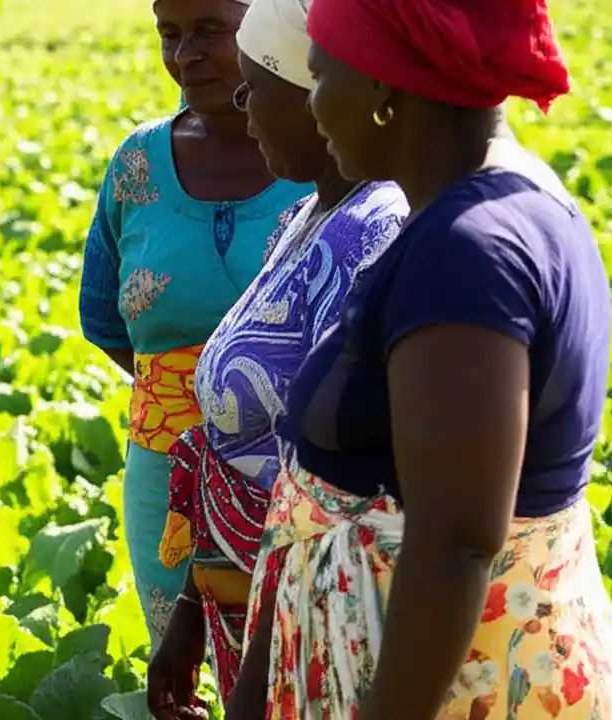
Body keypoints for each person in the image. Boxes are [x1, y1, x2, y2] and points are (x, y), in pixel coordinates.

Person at [226, 1, 612, 718]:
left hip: (466, 688)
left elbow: (455, 545)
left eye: (322, 76)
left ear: (385, 87)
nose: (316, 105)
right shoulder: (498, 201)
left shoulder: (467, 251)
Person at [144, 0, 408, 713]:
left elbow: (331, 482)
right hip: (249, 601)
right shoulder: (304, 220)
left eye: (257, 86)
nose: (243, 108)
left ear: (314, 92)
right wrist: (194, 609)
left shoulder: (374, 228)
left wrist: (263, 659)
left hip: (316, 610)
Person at [78, 0, 311, 647]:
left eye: (211, 31)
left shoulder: (324, 157)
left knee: (295, 667)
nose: (185, 57)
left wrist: (244, 410)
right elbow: (101, 315)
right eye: (169, 35)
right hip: (165, 474)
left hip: (300, 473)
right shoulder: (137, 166)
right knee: (185, 673)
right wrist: (197, 396)